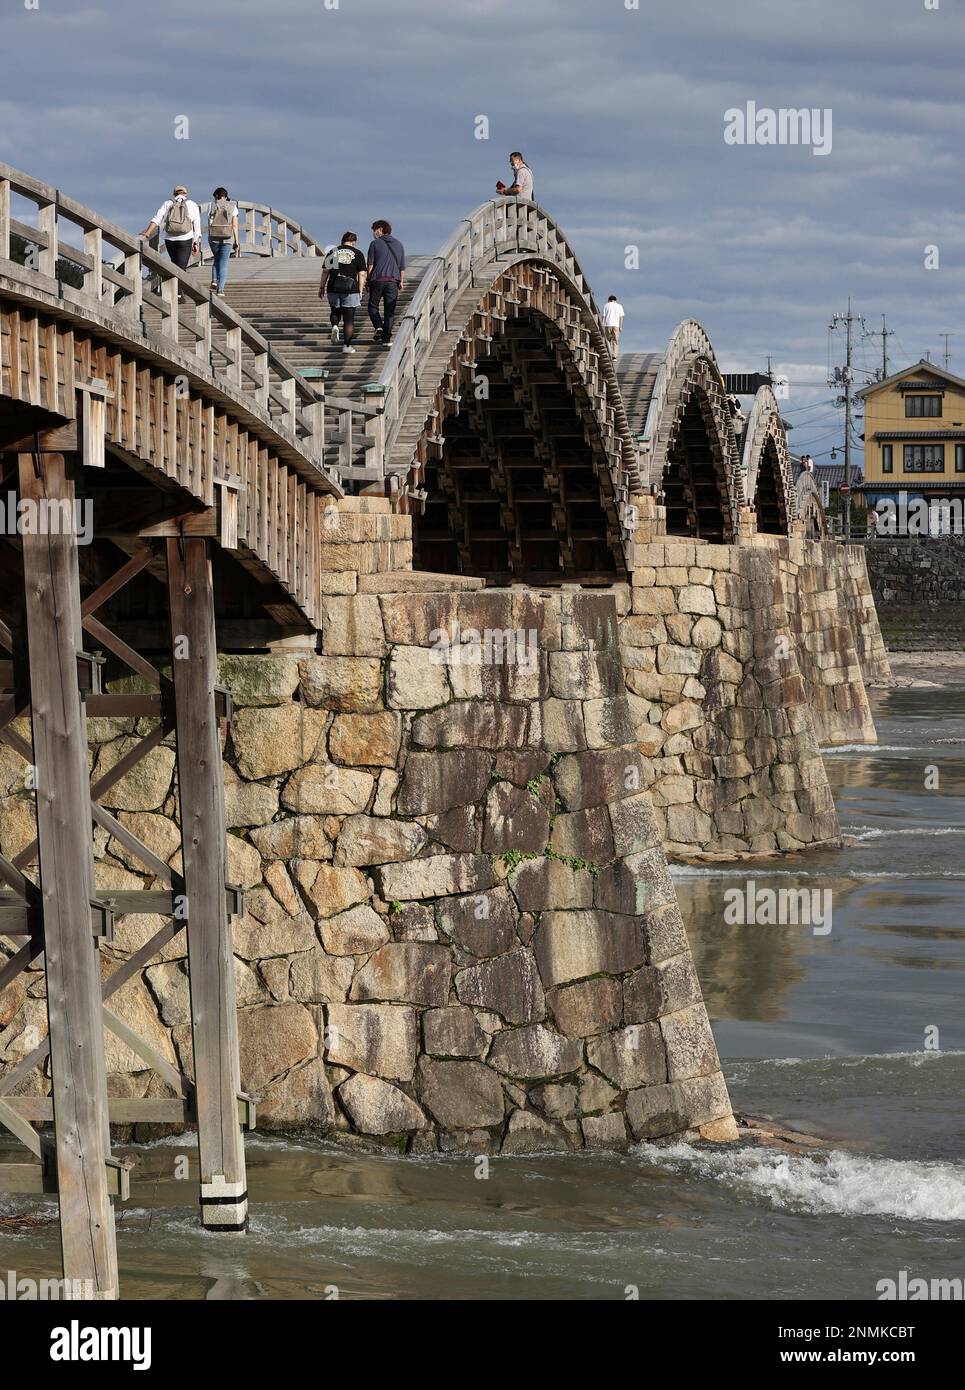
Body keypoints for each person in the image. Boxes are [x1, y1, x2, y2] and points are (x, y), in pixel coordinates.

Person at [318, 231, 367, 354]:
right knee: (349, 320)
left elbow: (326, 271)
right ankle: (346, 346)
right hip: (350, 289)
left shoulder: (333, 252)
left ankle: (335, 325)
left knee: (334, 310)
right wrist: (361, 290)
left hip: (333, 287)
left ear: (342, 241)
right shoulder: (357, 253)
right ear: (354, 242)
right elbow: (361, 274)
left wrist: (321, 287)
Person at [139, 185, 201, 271]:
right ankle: (179, 283)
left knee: (174, 266)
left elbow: (157, 218)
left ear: (174, 194)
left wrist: (148, 232)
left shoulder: (168, 203)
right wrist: (196, 242)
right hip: (185, 239)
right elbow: (197, 225)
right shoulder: (192, 204)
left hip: (170, 240)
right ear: (186, 194)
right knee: (181, 269)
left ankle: (174, 283)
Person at [366, 220, 406, 347]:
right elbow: (402, 266)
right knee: (390, 311)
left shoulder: (374, 244)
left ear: (380, 229)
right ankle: (386, 339)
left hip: (377, 280)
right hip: (393, 281)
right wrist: (401, 281)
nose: (373, 233)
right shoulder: (399, 244)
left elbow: (370, 265)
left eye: (374, 230)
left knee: (372, 307)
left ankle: (378, 326)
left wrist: (368, 279)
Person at [206, 187, 240, 295]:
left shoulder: (211, 205)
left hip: (213, 237)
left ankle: (214, 280)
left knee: (216, 259)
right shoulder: (232, 206)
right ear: (226, 196)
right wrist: (236, 241)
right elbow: (234, 225)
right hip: (227, 237)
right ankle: (220, 290)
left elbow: (209, 222)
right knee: (224, 262)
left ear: (215, 196)